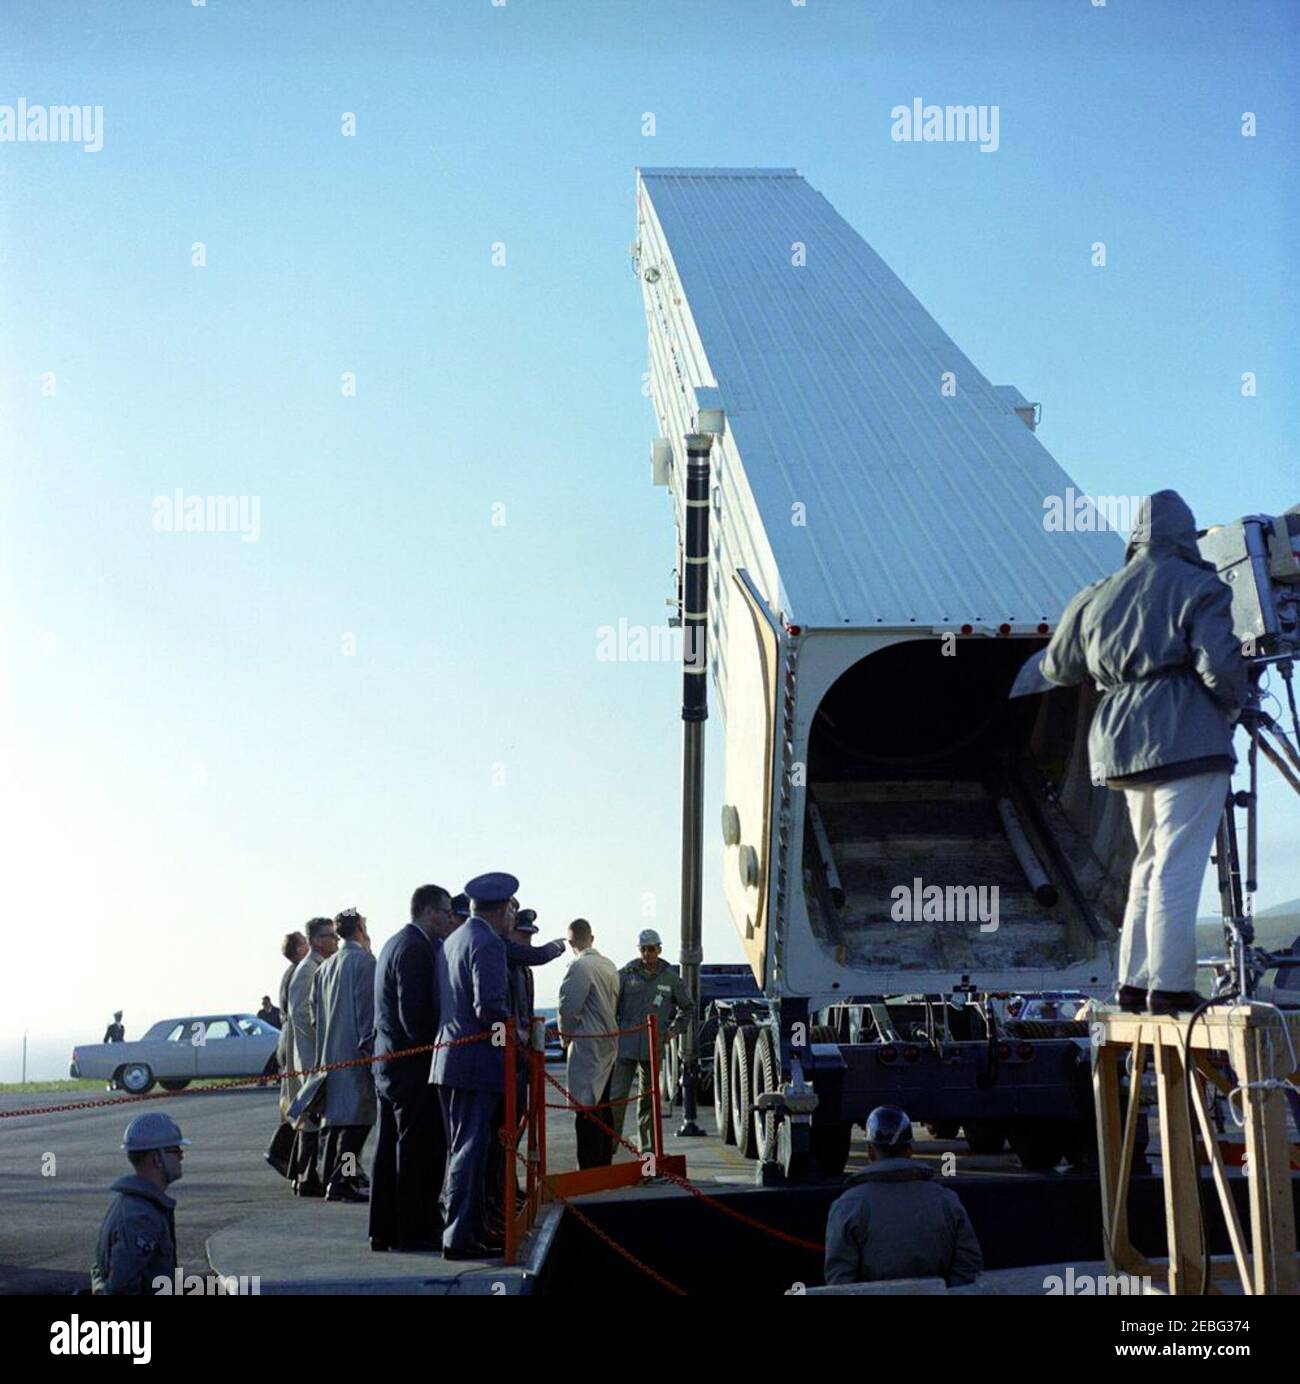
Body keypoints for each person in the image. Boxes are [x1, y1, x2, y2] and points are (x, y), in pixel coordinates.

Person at [1042, 489, 1248, 1016]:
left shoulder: (1099, 593)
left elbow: (1058, 667)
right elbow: (1220, 667)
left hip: (1121, 745)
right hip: (1188, 739)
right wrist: (1231, 707)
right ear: (1185, 535)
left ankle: (1133, 982)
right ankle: (1172, 986)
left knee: (1148, 864)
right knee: (1176, 867)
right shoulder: (1199, 585)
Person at [431, 871, 517, 1260]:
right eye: (512, 909)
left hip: (448, 1061)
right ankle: (458, 1236)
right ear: (503, 909)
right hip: (476, 1064)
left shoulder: (454, 939)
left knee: (460, 1149)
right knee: (470, 1150)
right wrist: (516, 1038)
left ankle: (466, 1228)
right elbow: (490, 1010)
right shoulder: (489, 943)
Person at [370, 884, 460, 1253]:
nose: (450, 920)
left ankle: (384, 1229)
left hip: (389, 1065)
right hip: (411, 1067)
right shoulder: (415, 949)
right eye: (446, 912)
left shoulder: (395, 943)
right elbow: (414, 1019)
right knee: (416, 1152)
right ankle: (413, 1229)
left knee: (389, 1149)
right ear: (428, 911)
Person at [824, 1106, 983, 1288]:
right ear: (909, 1150)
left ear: (870, 1151)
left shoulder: (848, 1206)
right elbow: (968, 1266)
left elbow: (840, 1281)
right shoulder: (946, 1200)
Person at [291, 909, 377, 1203]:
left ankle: (339, 1178)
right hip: (354, 1058)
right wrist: (371, 1053)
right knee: (357, 1125)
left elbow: (315, 1016)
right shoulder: (364, 962)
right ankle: (343, 1180)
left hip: (330, 1058)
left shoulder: (325, 968)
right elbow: (368, 1013)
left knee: (339, 1124)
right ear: (360, 929)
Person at [609, 929, 692, 1154]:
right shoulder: (625, 975)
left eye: (651, 949)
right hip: (625, 1047)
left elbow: (687, 1008)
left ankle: (649, 1151)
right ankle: (607, 1150)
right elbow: (610, 1005)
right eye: (643, 949)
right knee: (616, 1098)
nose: (647, 953)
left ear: (659, 949)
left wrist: (673, 1031)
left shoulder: (671, 979)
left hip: (652, 1048)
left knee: (648, 1100)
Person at [92, 1112, 189, 1295]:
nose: (182, 1156)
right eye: (176, 1151)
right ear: (157, 1159)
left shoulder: (132, 1204)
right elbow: (120, 1289)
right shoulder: (141, 1217)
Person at [558, 918, 620, 1168]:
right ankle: (604, 1162)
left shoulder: (579, 967)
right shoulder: (609, 965)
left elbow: (568, 1009)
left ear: (571, 942)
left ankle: (589, 1166)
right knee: (604, 1106)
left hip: (587, 1044)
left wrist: (565, 1038)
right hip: (609, 1042)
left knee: (586, 1110)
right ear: (592, 938)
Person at [285, 917, 337, 1197]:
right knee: (312, 1118)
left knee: (312, 1119)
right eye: (330, 936)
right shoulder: (308, 971)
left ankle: (302, 1175)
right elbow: (302, 1014)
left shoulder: (318, 966)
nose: (335, 940)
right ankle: (306, 1177)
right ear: (316, 940)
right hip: (312, 1056)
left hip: (314, 1056)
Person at [266, 930, 308, 1179]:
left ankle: (287, 1158)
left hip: (286, 1042)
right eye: (304, 942)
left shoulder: (291, 973)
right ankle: (281, 1154)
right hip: (293, 1045)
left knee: (294, 1104)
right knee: (298, 1106)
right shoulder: (299, 973)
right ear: (298, 950)